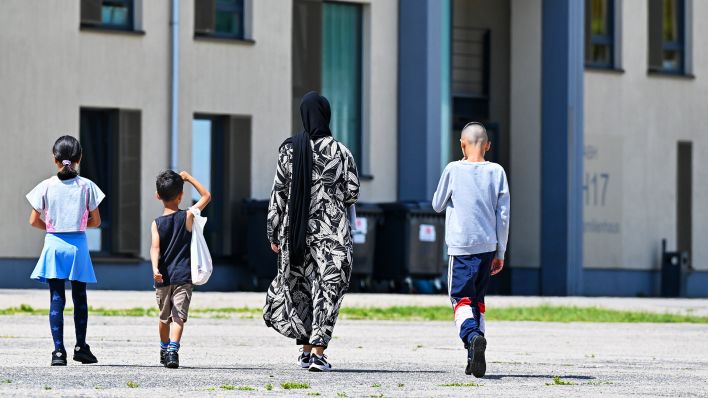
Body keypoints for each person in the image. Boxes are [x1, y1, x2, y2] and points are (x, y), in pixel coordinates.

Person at [264, 91, 360, 372]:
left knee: (301, 289)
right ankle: (317, 350)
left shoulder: (289, 150)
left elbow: (278, 194)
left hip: (296, 234)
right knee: (328, 288)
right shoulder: (341, 152)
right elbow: (352, 192)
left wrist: (273, 232)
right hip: (332, 233)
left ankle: (306, 350)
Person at [432, 122, 510, 378]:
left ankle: (472, 336)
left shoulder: (453, 169)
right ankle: (474, 355)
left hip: (461, 246)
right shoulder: (497, 172)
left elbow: (437, 204)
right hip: (488, 246)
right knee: (478, 301)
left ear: (462, 144)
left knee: (460, 299)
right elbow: (504, 216)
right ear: (488, 145)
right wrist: (500, 251)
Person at [26, 135, 105, 366]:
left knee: (56, 298)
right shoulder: (87, 186)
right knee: (79, 297)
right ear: (79, 158)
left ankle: (58, 352)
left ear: (55, 159)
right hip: (77, 245)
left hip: (53, 244)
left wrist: (52, 227)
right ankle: (81, 347)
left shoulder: (46, 186)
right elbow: (96, 221)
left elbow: (33, 220)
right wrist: (77, 225)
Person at [150, 170, 211, 369]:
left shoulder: (156, 224)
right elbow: (206, 196)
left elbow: (155, 248)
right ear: (181, 196)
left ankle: (166, 348)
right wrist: (189, 178)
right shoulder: (188, 216)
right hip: (184, 276)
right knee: (178, 316)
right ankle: (172, 351)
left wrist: (154, 268)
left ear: (157, 196)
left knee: (164, 317)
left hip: (163, 278)